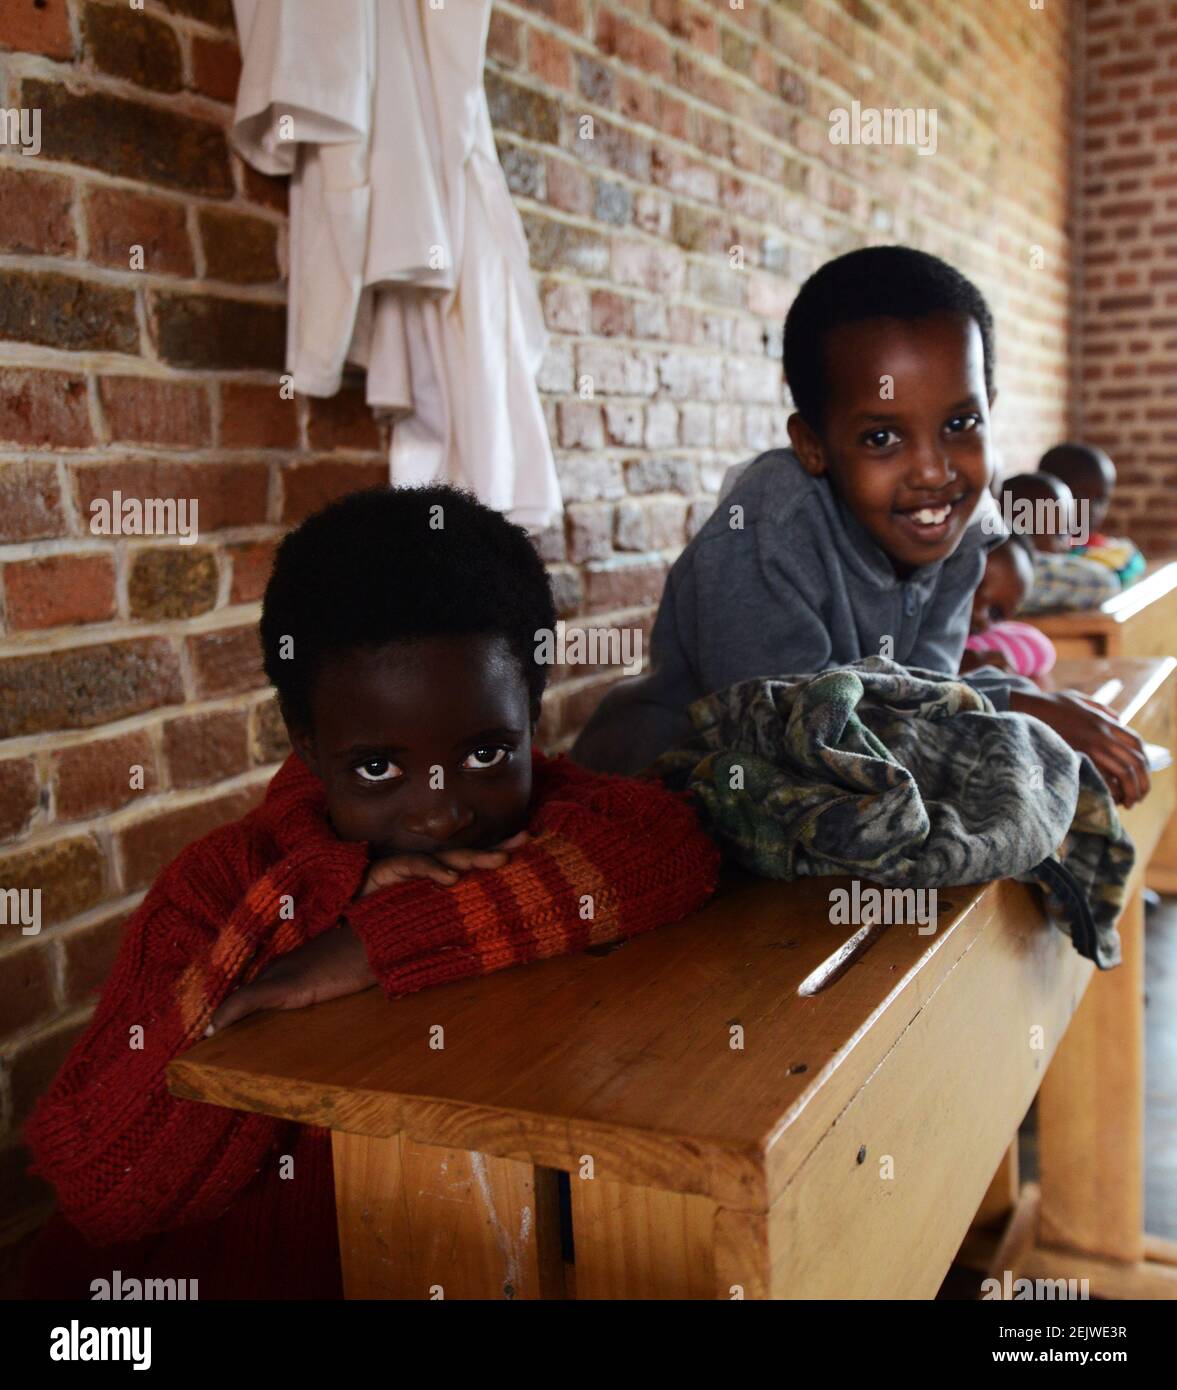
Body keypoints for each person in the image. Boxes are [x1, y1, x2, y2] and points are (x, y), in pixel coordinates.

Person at [23, 485, 720, 1300]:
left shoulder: (570, 823)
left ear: (531, 716)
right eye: (378, 768)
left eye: (487, 753)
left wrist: (374, 938)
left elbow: (673, 849)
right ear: (309, 748)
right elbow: (107, 1185)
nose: (440, 809)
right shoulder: (220, 889)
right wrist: (298, 933)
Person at [573, 245, 1149, 808]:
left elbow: (920, 695)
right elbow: (800, 741)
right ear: (813, 445)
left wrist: (1009, 700)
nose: (933, 471)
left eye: (961, 422)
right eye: (881, 438)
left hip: (810, 804)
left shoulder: (962, 530)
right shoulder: (767, 528)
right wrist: (1014, 709)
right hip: (658, 798)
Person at [960, 535, 1057, 677]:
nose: (978, 615)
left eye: (995, 613)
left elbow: (1040, 648)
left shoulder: (978, 649)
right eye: (971, 589)